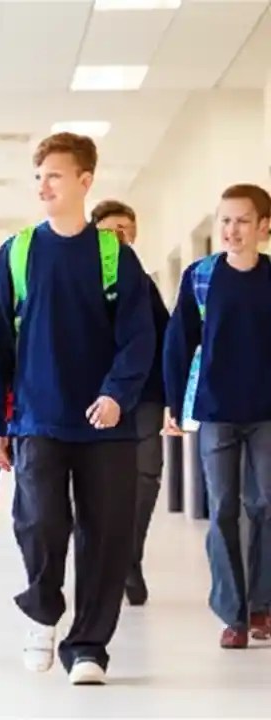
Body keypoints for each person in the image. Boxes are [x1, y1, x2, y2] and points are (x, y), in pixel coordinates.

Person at [0, 133, 154, 685]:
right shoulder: (18, 253)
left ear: (85, 181)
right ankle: (41, 611)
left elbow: (138, 339)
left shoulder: (115, 257)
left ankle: (89, 648)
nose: (43, 186)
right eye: (38, 177)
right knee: (39, 522)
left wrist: (115, 394)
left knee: (106, 536)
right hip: (37, 419)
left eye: (54, 176)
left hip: (106, 425)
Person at [163, 183, 271, 649]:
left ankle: (263, 605)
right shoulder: (200, 276)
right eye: (224, 220)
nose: (231, 229)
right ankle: (233, 614)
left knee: (265, 506)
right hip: (215, 413)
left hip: (268, 413)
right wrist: (171, 402)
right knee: (223, 508)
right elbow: (178, 341)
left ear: (264, 228)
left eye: (242, 221)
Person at [90, 200, 171, 607]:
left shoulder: (144, 281)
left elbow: (165, 337)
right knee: (103, 484)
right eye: (110, 230)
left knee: (146, 475)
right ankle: (107, 560)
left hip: (147, 396)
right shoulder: (88, 279)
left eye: (125, 228)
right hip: (101, 397)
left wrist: (175, 397)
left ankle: (130, 558)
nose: (119, 235)